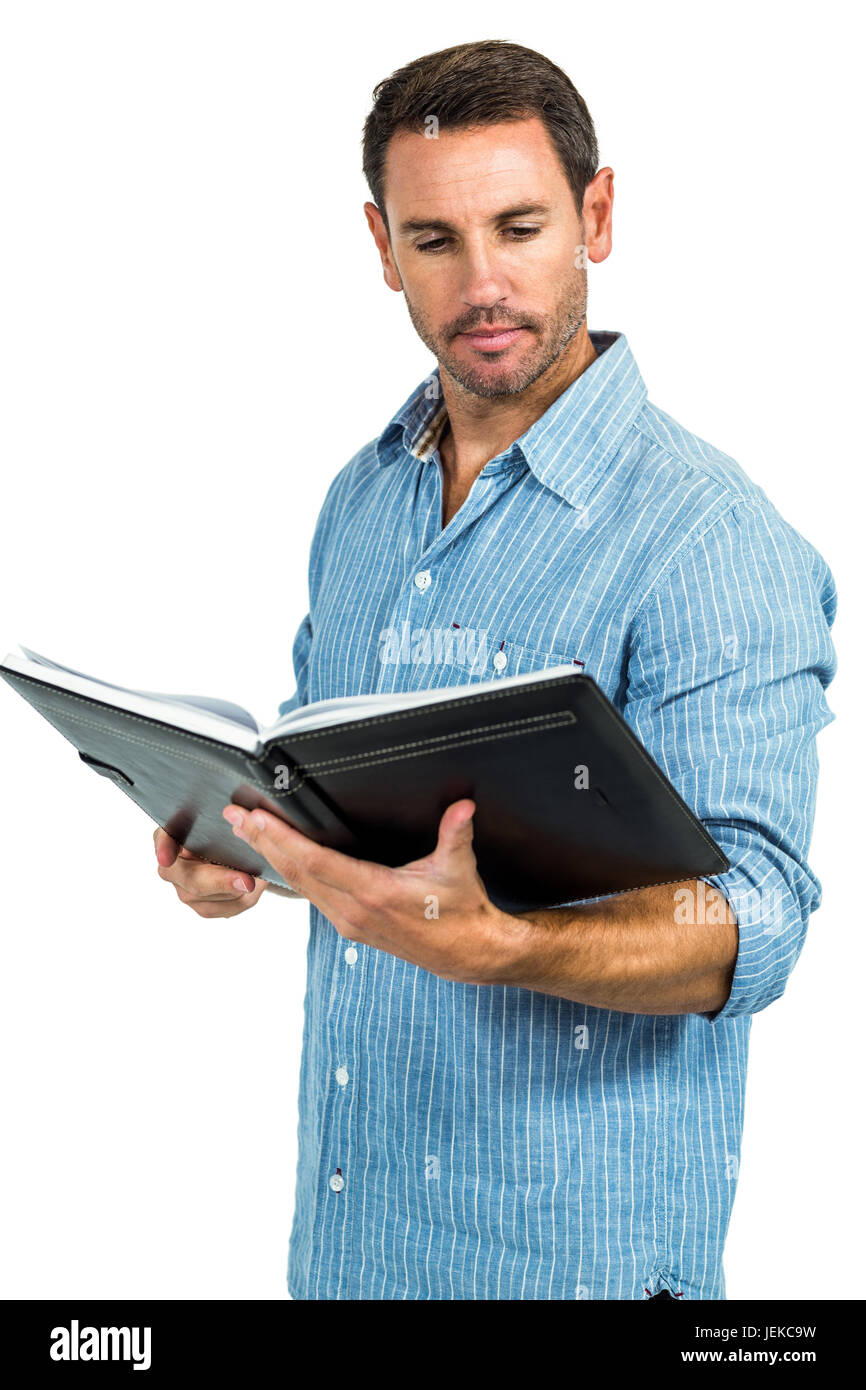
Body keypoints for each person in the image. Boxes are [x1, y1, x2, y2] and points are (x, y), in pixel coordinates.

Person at [155, 39, 837, 1300]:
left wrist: (504, 941)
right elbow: (368, 828)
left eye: (518, 228)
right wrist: (252, 849)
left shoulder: (708, 537)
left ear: (596, 215)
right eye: (432, 240)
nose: (482, 284)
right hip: (351, 1260)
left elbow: (758, 919)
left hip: (571, 1273)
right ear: (378, 244)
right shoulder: (361, 503)